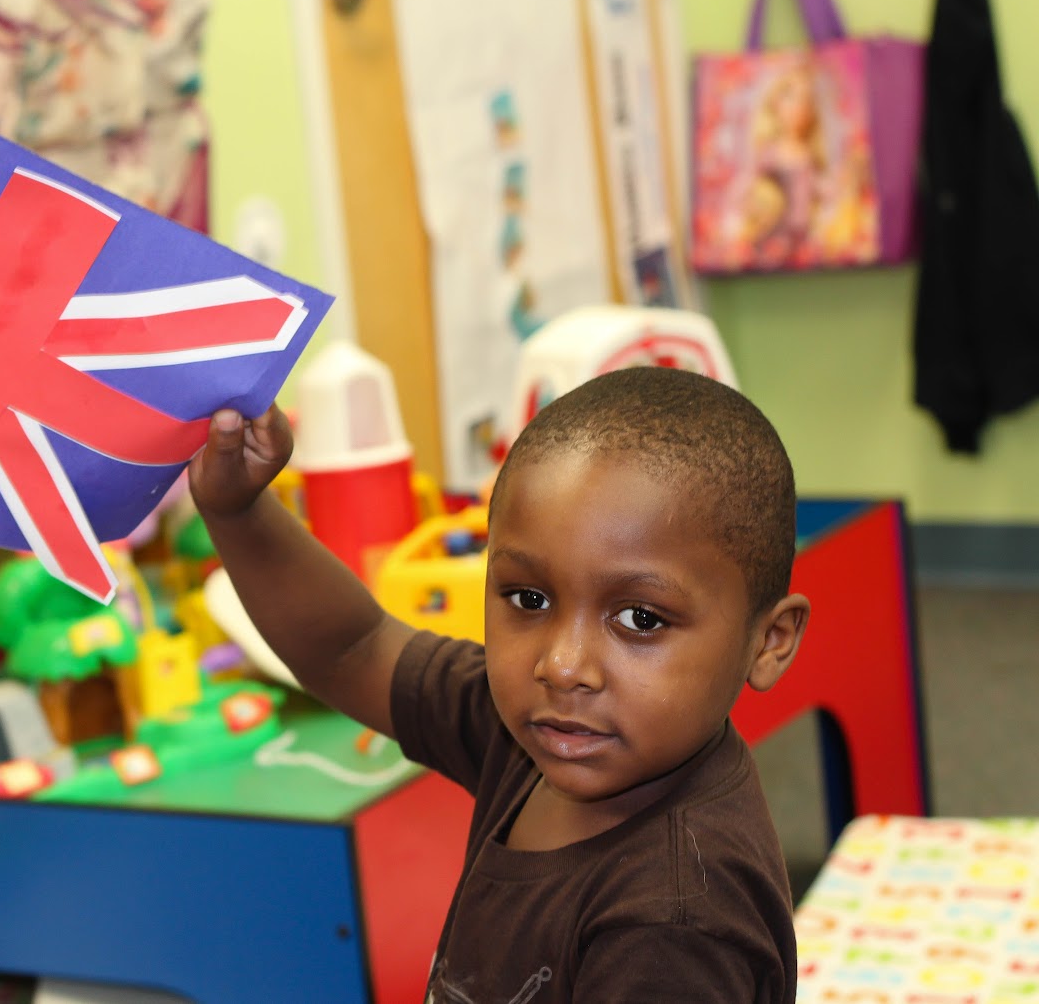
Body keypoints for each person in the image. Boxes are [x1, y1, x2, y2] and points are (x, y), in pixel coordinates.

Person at [189, 366, 808, 1002]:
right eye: (529, 597)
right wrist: (238, 510)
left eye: (639, 619)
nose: (562, 667)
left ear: (769, 640)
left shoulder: (674, 929)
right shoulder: (538, 738)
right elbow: (356, 648)